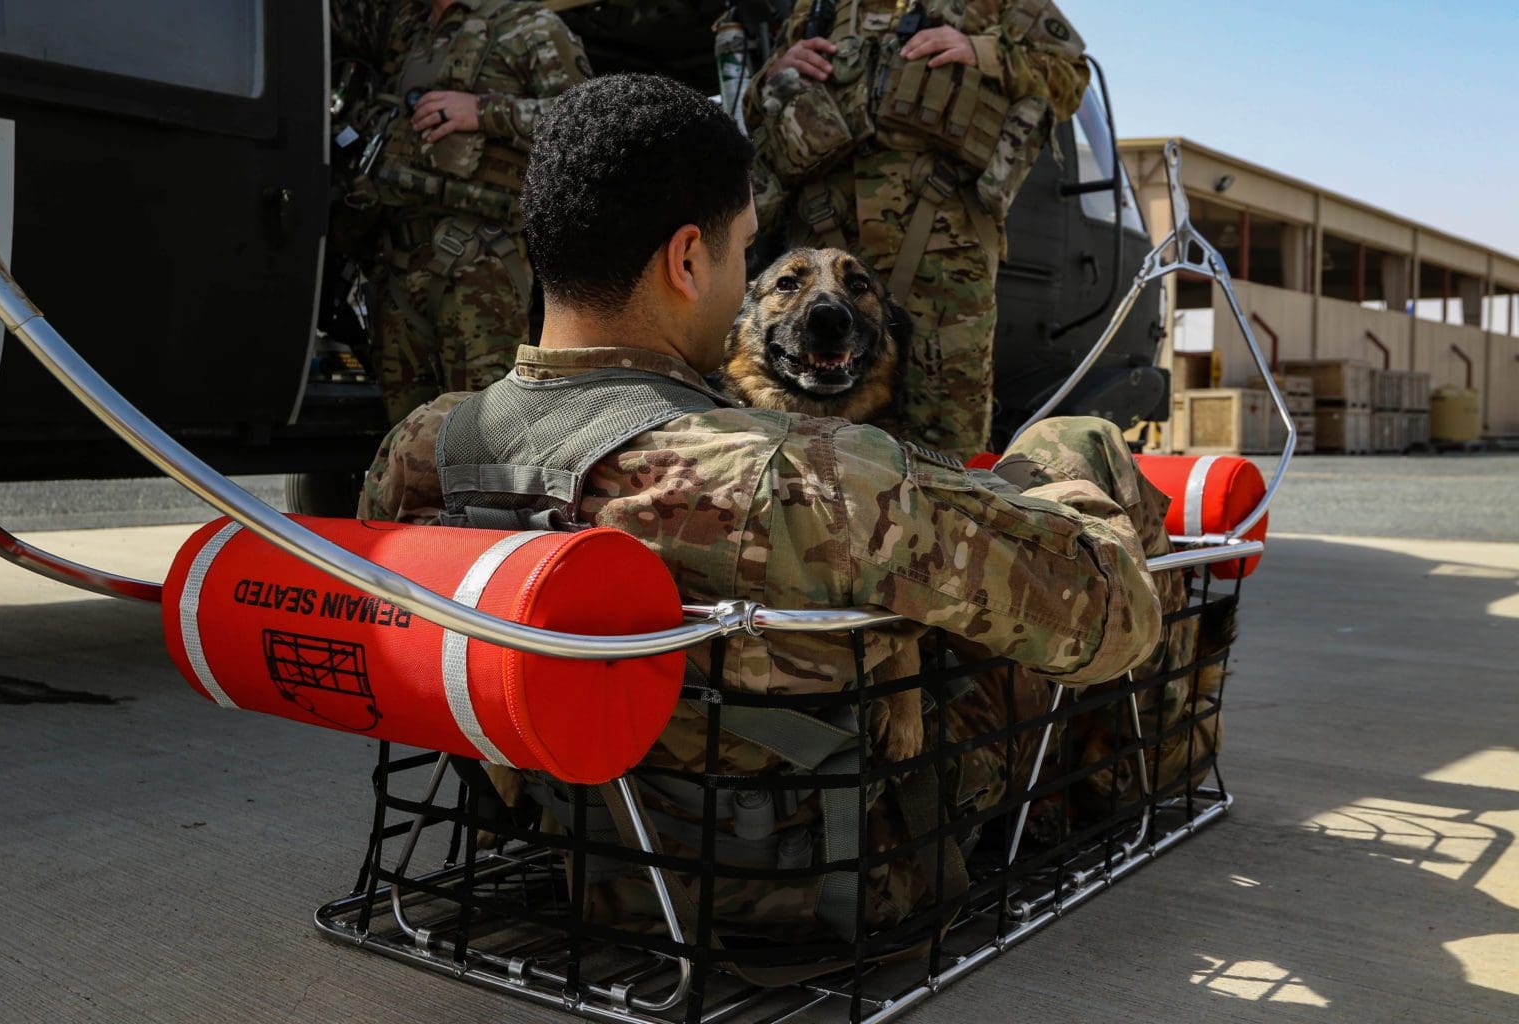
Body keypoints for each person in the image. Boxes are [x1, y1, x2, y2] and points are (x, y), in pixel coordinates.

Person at [359, 74, 1164, 944]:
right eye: (747, 249)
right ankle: (1131, 776)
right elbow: (1116, 621)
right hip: (826, 883)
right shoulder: (819, 477)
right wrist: (1064, 497)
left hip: (576, 844)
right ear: (687, 261)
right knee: (1077, 443)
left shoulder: (426, 446)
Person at [745, 0, 1090, 459]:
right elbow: (755, 110)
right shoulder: (818, 6)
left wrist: (982, 52)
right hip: (826, 249)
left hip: (944, 261)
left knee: (948, 444)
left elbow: (1071, 78)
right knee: (815, 441)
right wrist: (774, 74)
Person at [361, 0, 591, 423]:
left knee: (485, 431)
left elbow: (584, 122)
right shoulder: (408, 32)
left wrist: (483, 111)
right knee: (407, 437)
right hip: (395, 264)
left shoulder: (529, 25)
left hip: (478, 264)